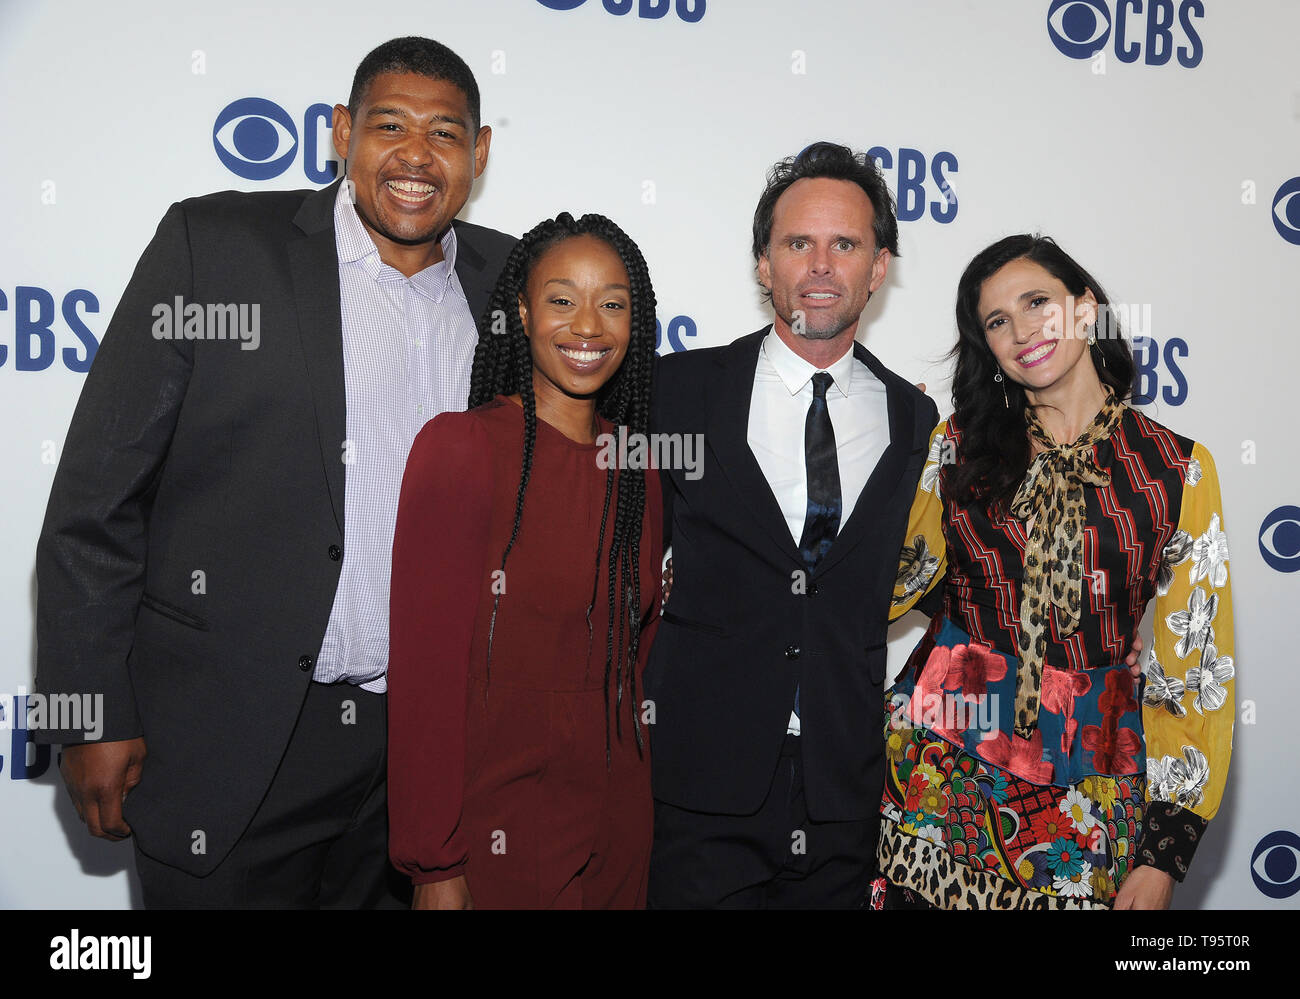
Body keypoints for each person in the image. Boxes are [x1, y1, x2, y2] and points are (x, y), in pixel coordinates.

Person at [33, 37, 515, 908]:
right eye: (389, 125)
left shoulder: (511, 286)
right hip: (230, 739)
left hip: (425, 753)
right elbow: (94, 500)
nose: (416, 155)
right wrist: (86, 712)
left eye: (445, 133)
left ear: (478, 155)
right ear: (341, 132)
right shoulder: (215, 247)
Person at [876, 234, 1234, 909]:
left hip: (1093, 786)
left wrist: (1164, 856)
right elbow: (887, 582)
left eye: (1036, 302)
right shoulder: (954, 446)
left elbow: (1196, 670)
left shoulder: (1178, 470)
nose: (1021, 331)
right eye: (997, 321)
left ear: (1085, 307)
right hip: (938, 763)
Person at [645, 142, 939, 908]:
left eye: (845, 244)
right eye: (797, 243)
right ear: (763, 265)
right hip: (698, 787)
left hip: (845, 794)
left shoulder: (916, 419)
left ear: (878, 269)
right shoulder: (675, 392)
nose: (819, 264)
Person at [387, 212, 662, 909]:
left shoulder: (636, 464)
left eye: (613, 303)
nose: (588, 326)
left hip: (620, 813)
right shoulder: (463, 448)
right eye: (562, 299)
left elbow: (636, 650)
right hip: (503, 815)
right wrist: (434, 861)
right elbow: (426, 674)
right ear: (521, 311)